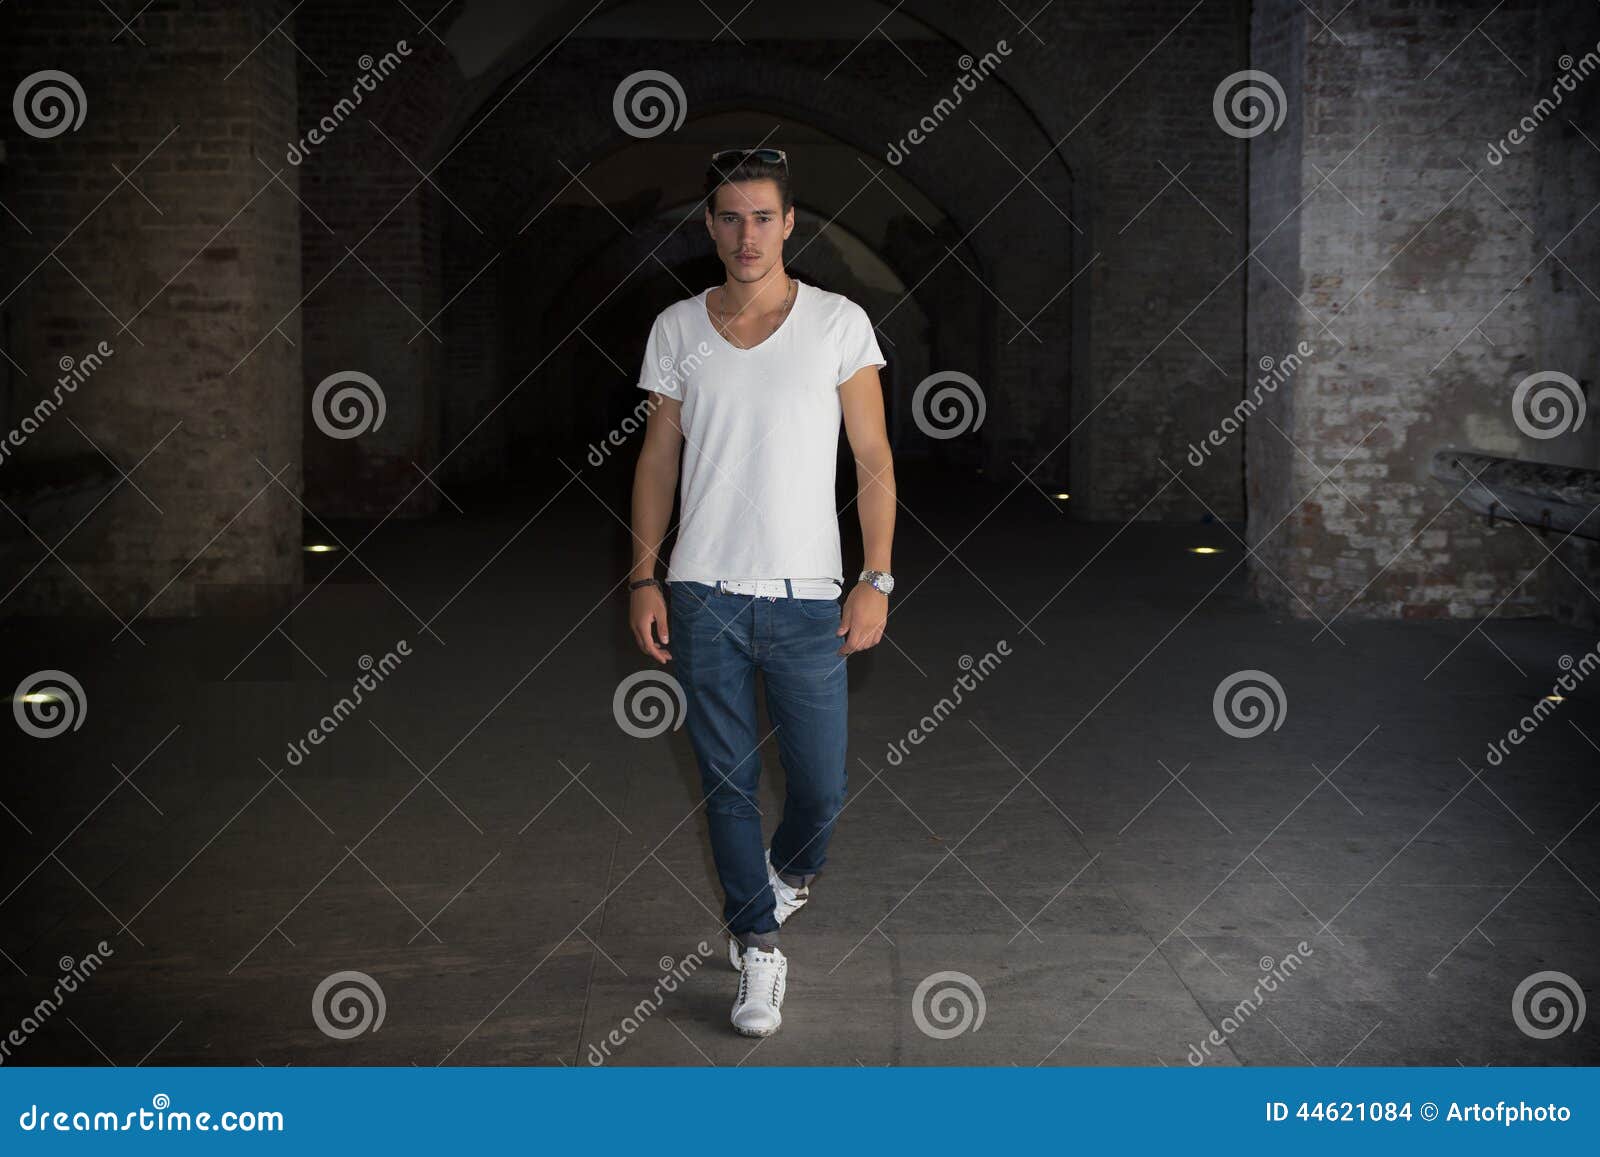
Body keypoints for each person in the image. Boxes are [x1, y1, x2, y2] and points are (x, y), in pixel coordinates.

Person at [627, 146, 897, 1038]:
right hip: (702, 590)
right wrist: (643, 573)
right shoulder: (676, 329)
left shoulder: (837, 323)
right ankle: (758, 943)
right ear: (710, 226)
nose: (747, 234)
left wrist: (876, 577)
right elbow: (658, 458)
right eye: (730, 218)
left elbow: (872, 460)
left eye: (763, 217)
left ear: (790, 225)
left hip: (807, 599)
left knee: (819, 788)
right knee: (727, 781)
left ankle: (781, 877)